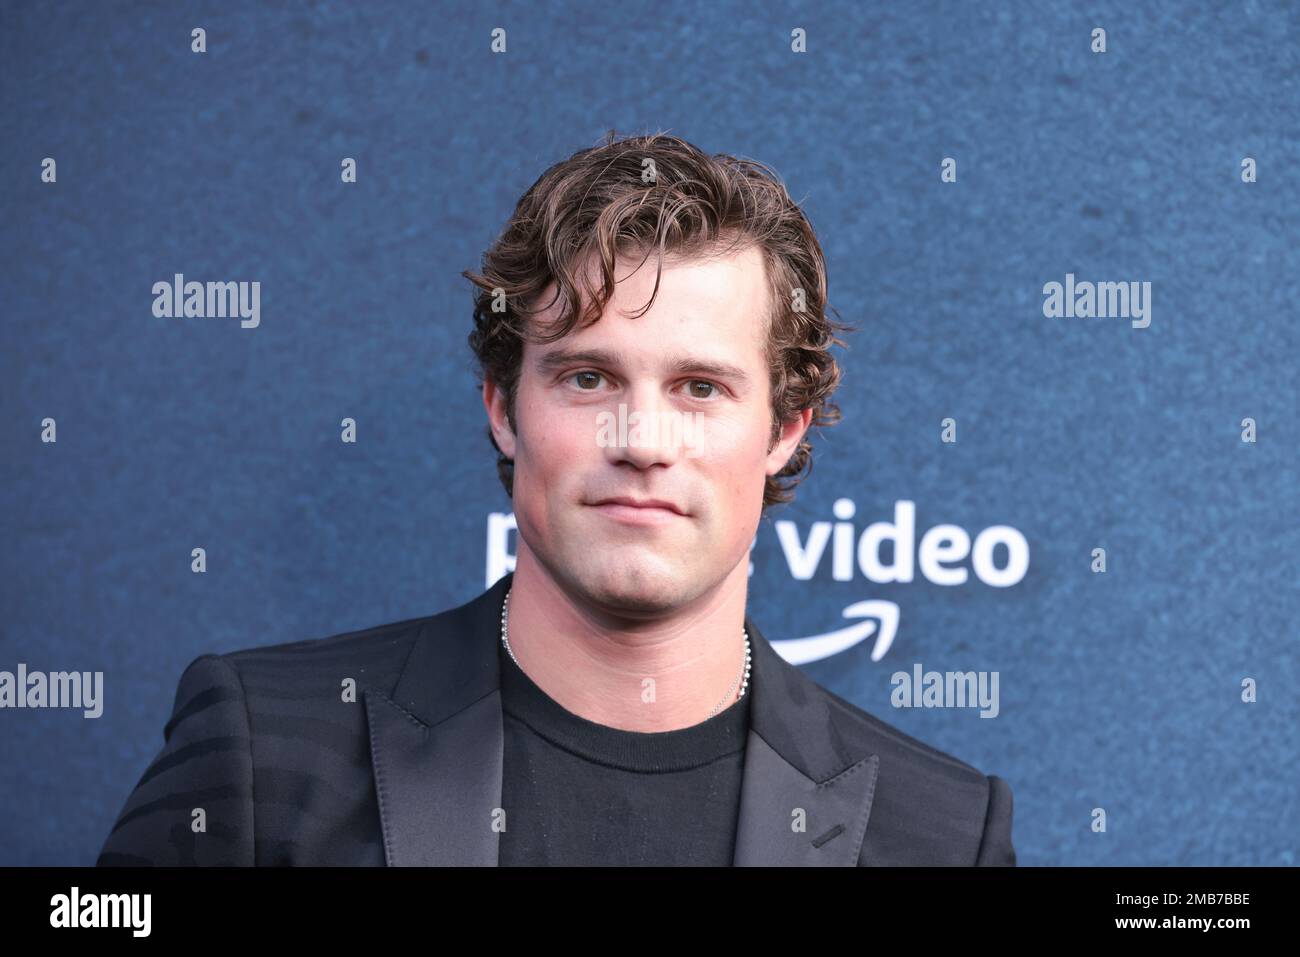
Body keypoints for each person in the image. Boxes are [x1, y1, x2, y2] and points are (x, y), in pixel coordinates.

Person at [96, 130, 1015, 866]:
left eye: (700, 387)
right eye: (588, 378)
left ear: (783, 430)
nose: (642, 441)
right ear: (505, 408)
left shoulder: (936, 829)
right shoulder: (265, 749)